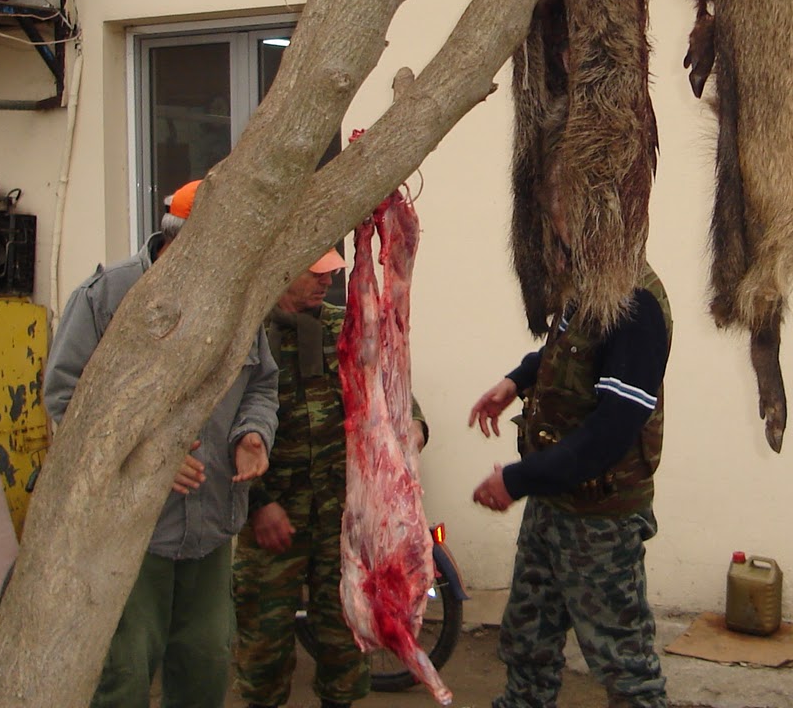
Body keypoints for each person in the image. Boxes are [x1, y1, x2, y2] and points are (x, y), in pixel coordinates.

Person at [44, 179, 279, 708]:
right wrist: (146, 459)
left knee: (204, 666)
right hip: (129, 533)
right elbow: (65, 400)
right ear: (184, 240)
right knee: (124, 676)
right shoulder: (106, 298)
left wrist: (252, 434)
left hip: (212, 526)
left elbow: (262, 383)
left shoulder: (236, 301)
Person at [232, 251, 430, 708]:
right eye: (315, 271)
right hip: (272, 516)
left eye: (331, 271)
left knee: (344, 640)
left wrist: (414, 425)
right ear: (283, 269)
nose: (328, 279)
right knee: (264, 640)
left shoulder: (347, 326)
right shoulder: (246, 335)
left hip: (343, 519)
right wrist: (258, 502)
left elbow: (392, 386)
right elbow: (222, 426)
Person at [469, 266, 672, 708]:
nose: (554, 224)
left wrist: (516, 480)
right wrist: (517, 379)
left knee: (625, 665)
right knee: (527, 642)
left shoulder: (638, 307)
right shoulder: (588, 284)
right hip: (552, 502)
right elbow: (568, 357)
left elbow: (610, 433)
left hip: (601, 521)